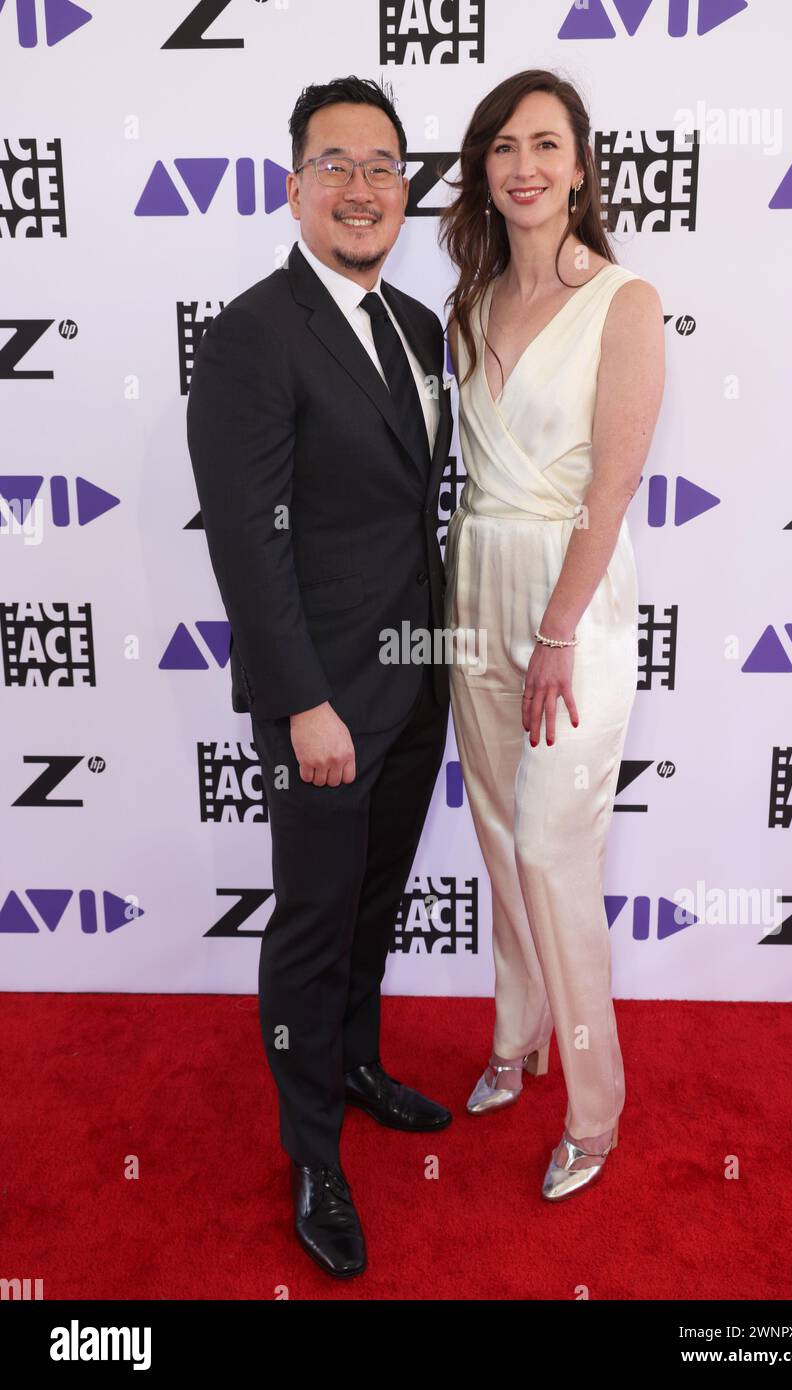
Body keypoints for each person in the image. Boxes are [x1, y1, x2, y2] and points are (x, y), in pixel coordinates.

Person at [187, 75, 454, 1279]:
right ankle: (312, 1153)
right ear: (293, 184)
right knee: (309, 924)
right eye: (334, 164)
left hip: (415, 679)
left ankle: (353, 1063)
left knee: (371, 903)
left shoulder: (415, 327)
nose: (360, 188)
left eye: (382, 166)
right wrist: (303, 703)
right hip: (322, 700)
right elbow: (248, 538)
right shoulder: (253, 332)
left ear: (406, 188)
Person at [439, 69, 665, 1201]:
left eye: (544, 144)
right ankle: (515, 1037)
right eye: (500, 147)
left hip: (570, 602)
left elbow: (612, 487)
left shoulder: (623, 301)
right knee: (493, 832)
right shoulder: (469, 302)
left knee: (550, 848)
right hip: (473, 585)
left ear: (579, 165)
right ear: (484, 171)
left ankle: (594, 1105)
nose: (522, 165)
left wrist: (561, 629)